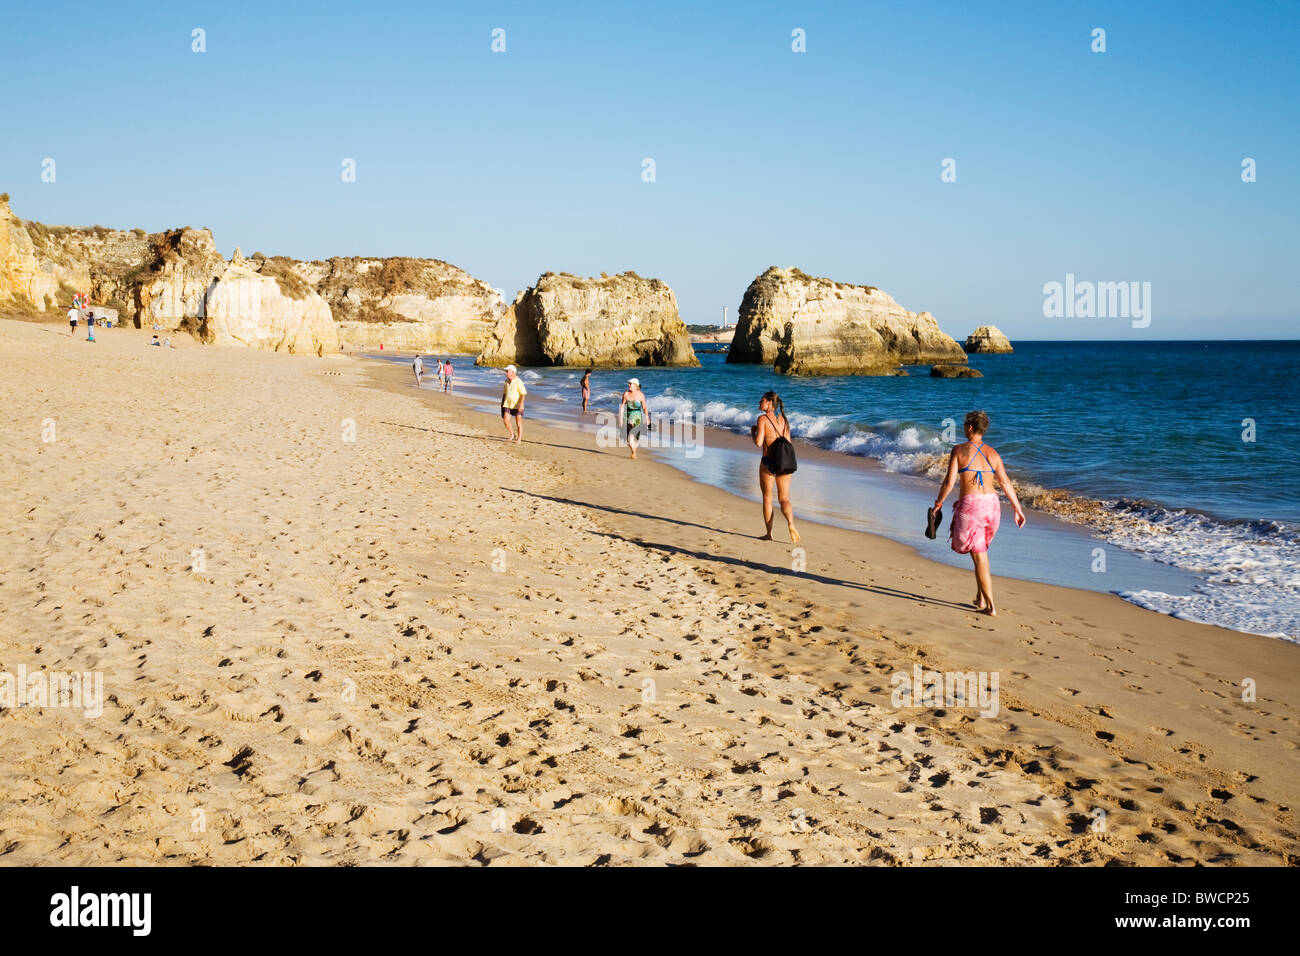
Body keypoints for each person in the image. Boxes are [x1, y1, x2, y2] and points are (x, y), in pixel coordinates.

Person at [932, 410, 1026, 615]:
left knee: (979, 555)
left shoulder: (959, 450)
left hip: (971, 506)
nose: (963, 427)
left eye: (965, 425)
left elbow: (949, 482)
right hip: (992, 506)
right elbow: (1005, 482)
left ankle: (991, 606)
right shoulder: (993, 453)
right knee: (980, 551)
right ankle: (981, 599)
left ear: (971, 428)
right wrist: (1017, 509)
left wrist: (938, 503)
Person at [751, 390, 799, 543]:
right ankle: (791, 523)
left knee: (767, 498)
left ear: (770, 403)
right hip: (785, 462)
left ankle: (769, 534)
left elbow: (759, 443)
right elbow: (788, 442)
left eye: (762, 400)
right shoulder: (785, 420)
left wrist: (753, 433)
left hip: (768, 463)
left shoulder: (762, 419)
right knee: (784, 499)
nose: (759, 402)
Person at [618, 378, 652, 460]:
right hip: (628, 415)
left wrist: (647, 418)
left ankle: (634, 452)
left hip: (638, 416)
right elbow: (622, 406)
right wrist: (620, 419)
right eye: (628, 383)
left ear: (636, 386)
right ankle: (634, 452)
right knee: (630, 436)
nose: (628, 385)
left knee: (636, 438)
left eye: (630, 383)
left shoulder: (641, 395)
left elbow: (644, 407)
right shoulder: (626, 394)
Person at [501, 365, 526, 442]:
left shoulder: (518, 381)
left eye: (507, 371)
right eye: (506, 371)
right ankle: (512, 434)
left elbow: (523, 394)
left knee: (518, 423)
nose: (506, 373)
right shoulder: (506, 382)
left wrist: (521, 404)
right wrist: (502, 403)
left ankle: (519, 439)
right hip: (507, 404)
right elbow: (504, 394)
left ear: (513, 372)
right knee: (505, 420)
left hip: (517, 405)